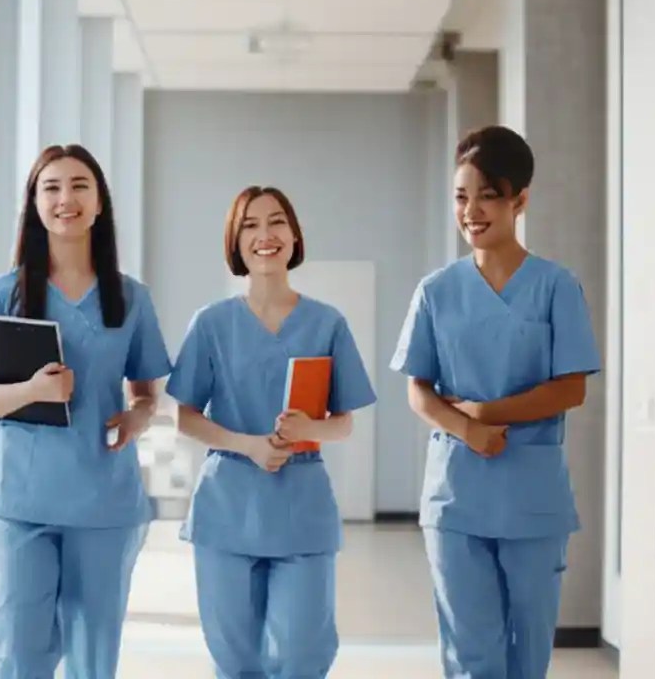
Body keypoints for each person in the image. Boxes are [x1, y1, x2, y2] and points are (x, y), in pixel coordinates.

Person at [0, 144, 172, 678]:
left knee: (95, 657)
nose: (65, 198)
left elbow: (145, 391)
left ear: (99, 205)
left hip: (102, 499)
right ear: (34, 204)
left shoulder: (131, 299)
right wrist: (30, 390)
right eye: (51, 187)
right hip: (19, 498)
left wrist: (138, 416)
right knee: (21, 651)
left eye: (78, 186)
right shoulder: (4, 293)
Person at [389, 125, 601, 678]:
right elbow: (419, 388)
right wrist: (466, 431)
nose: (472, 210)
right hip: (456, 495)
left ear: (519, 200)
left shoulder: (557, 286)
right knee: (469, 651)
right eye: (462, 196)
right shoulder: (436, 291)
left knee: (527, 653)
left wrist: (486, 413)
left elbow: (570, 388)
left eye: (487, 194)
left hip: (532, 496)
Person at [166, 186, 377, 679]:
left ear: (295, 235)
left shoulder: (327, 322)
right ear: (235, 244)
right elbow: (184, 415)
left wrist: (311, 429)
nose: (265, 235)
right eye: (250, 225)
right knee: (235, 659)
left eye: (277, 221)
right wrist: (248, 445)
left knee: (304, 654)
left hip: (301, 507)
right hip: (228, 507)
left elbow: (344, 422)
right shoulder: (212, 323)